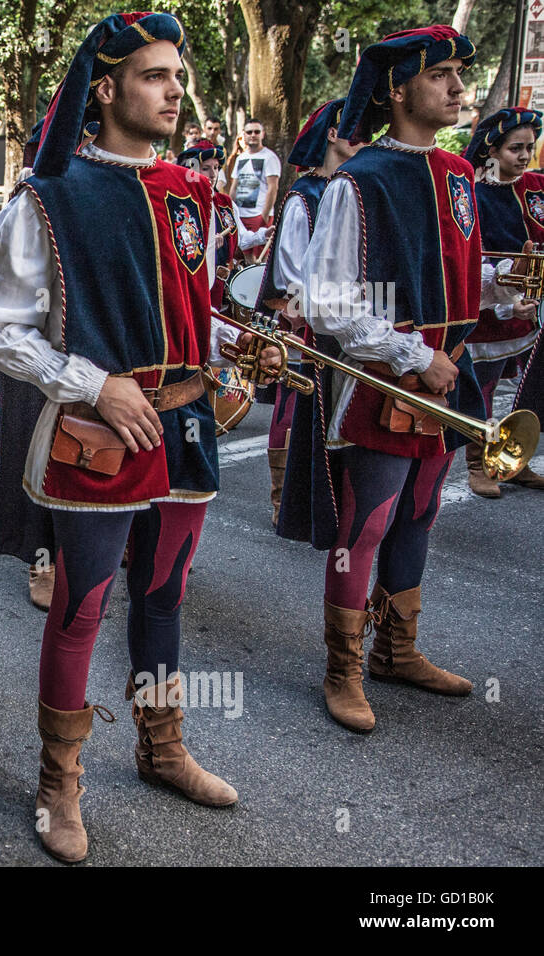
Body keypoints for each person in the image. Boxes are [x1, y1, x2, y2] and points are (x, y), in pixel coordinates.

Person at [0, 13, 284, 864]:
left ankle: (162, 746)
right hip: (96, 434)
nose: (174, 88)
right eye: (154, 75)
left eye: (178, 75)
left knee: (166, 596)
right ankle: (58, 781)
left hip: (184, 428)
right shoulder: (51, 194)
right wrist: (92, 383)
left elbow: (190, 304)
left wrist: (233, 346)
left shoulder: (193, 191)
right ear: (104, 89)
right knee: (80, 607)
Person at [287, 25, 483, 735]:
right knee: (364, 525)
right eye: (443, 77)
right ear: (398, 89)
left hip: (446, 380)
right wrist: (409, 355)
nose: (459, 89)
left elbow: (462, 275)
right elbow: (326, 301)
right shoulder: (357, 181)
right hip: (388, 383)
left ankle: (398, 649)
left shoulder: (460, 175)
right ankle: (343, 668)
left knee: (420, 515)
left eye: (461, 75)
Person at [255, 98, 361, 526]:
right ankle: (285, 497)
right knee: (294, 403)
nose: (364, 136)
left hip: (345, 320)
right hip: (304, 320)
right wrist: (314, 310)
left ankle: (328, 496)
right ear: (332, 134)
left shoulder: (354, 187)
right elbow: (291, 271)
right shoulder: (304, 195)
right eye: (353, 128)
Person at [460, 107, 544, 496]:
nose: (525, 156)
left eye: (530, 147)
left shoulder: (536, 187)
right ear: (492, 149)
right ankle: (479, 464)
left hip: (535, 311)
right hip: (491, 312)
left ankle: (514, 458)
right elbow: (471, 262)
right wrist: (509, 302)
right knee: (484, 388)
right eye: (515, 148)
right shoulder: (473, 193)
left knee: (531, 388)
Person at [174, 139, 269, 314]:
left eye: (216, 168)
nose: (212, 174)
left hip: (223, 287)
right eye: (205, 168)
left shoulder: (225, 203)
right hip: (195, 287)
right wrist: (206, 245)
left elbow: (241, 239)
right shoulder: (183, 205)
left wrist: (263, 235)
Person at [231, 117, 281, 231]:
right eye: (249, 132)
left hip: (258, 215)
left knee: (260, 249)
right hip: (240, 216)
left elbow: (273, 188)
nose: (253, 135)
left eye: (257, 132)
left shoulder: (270, 157)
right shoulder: (240, 158)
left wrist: (264, 214)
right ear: (244, 135)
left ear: (262, 134)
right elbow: (235, 186)